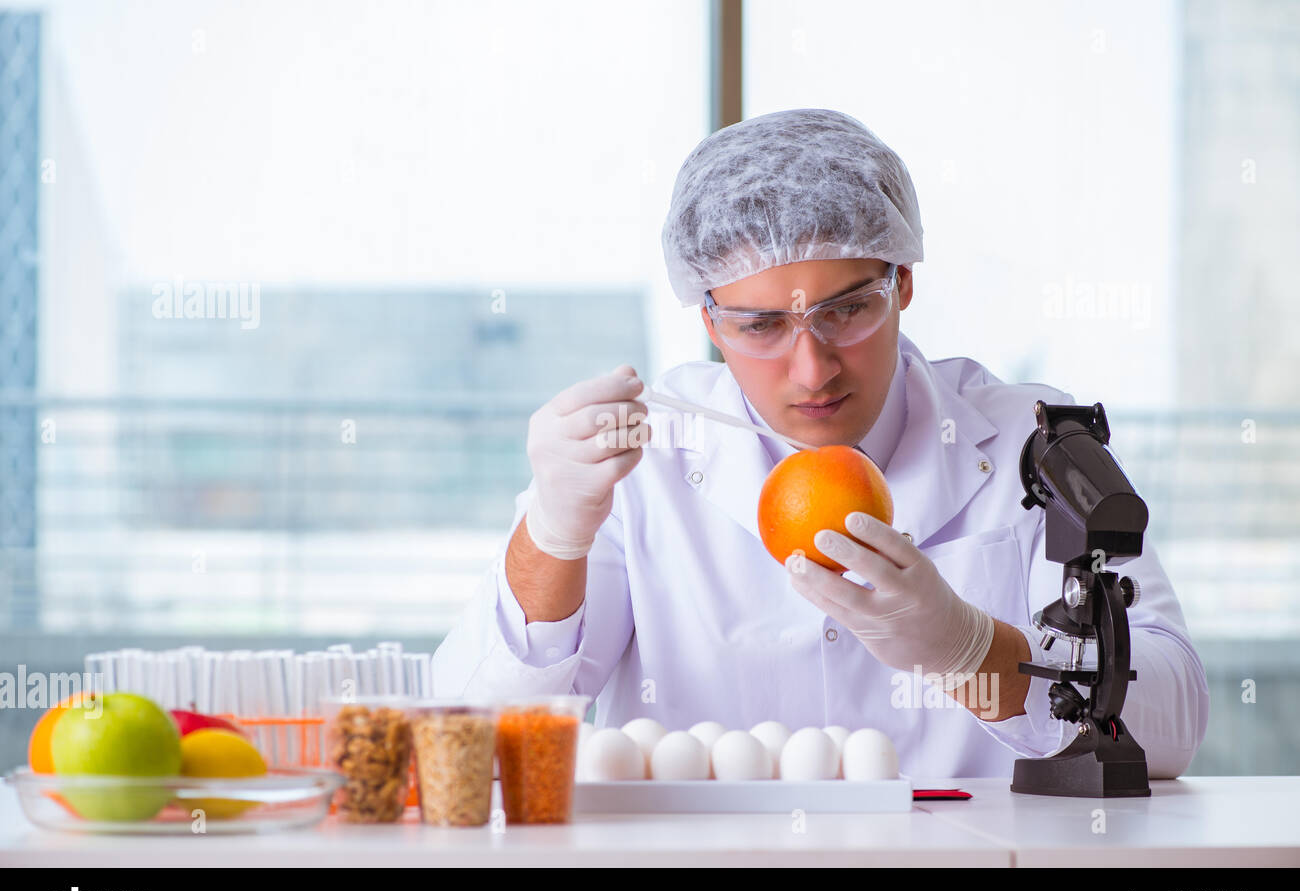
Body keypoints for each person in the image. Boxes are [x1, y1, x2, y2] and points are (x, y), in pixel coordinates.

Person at [432, 108, 1208, 779]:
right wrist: (552, 534)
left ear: (903, 280)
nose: (811, 368)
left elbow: (1172, 721)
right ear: (709, 320)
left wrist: (969, 650)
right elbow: (477, 734)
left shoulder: (1032, 444)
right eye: (760, 324)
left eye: (845, 310)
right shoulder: (644, 461)